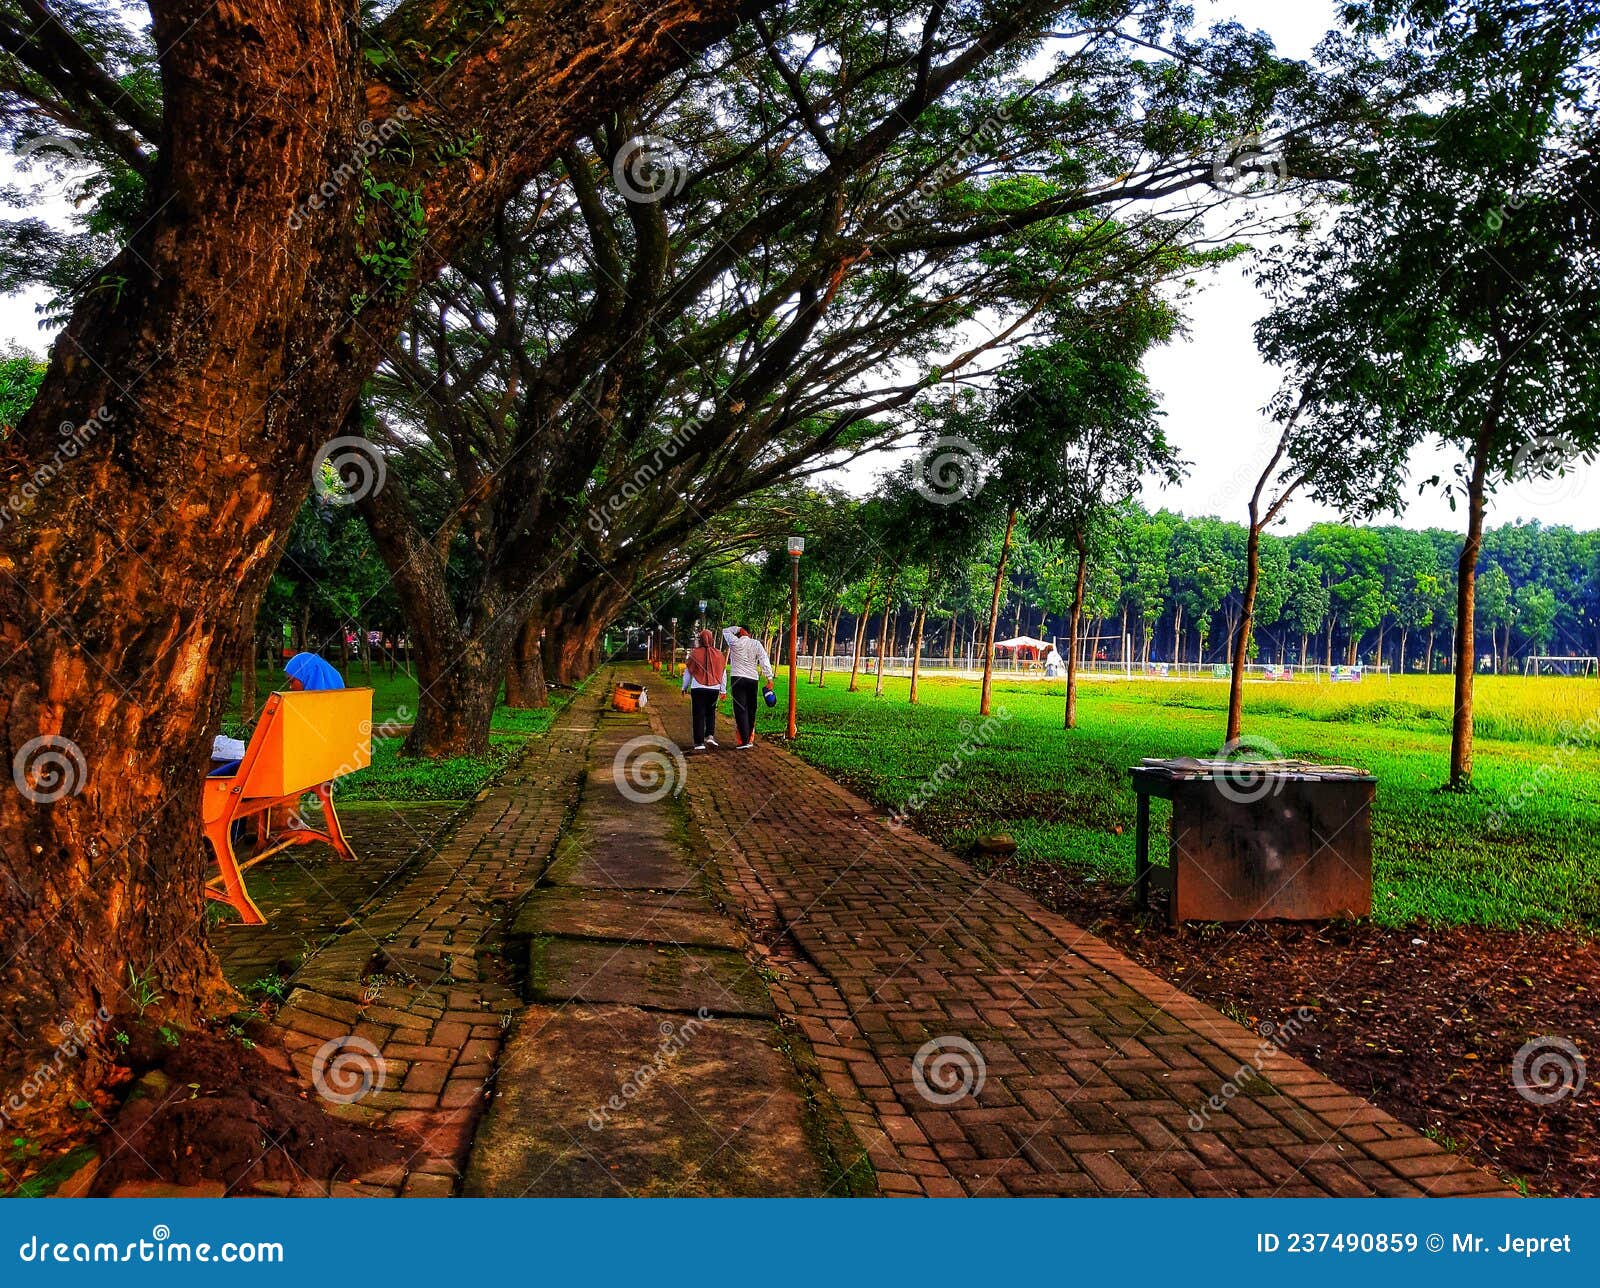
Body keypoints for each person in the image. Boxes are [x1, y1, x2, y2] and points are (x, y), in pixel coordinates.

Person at [722, 626, 774, 748]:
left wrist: (737, 628)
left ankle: (744, 740)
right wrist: (769, 678)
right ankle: (749, 736)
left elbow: (725, 631)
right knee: (751, 708)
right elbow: (764, 659)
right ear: (750, 633)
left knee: (740, 709)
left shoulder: (734, 641)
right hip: (752, 679)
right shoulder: (756, 644)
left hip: (737, 678)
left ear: (741, 631)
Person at [680, 629, 727, 751]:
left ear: (700, 640)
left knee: (698, 715)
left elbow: (688, 672)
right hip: (714, 688)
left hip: (698, 688)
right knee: (711, 712)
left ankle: (699, 742)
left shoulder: (695, 654)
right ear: (712, 639)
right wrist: (723, 690)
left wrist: (684, 687)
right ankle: (710, 735)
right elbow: (723, 673)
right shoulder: (719, 654)